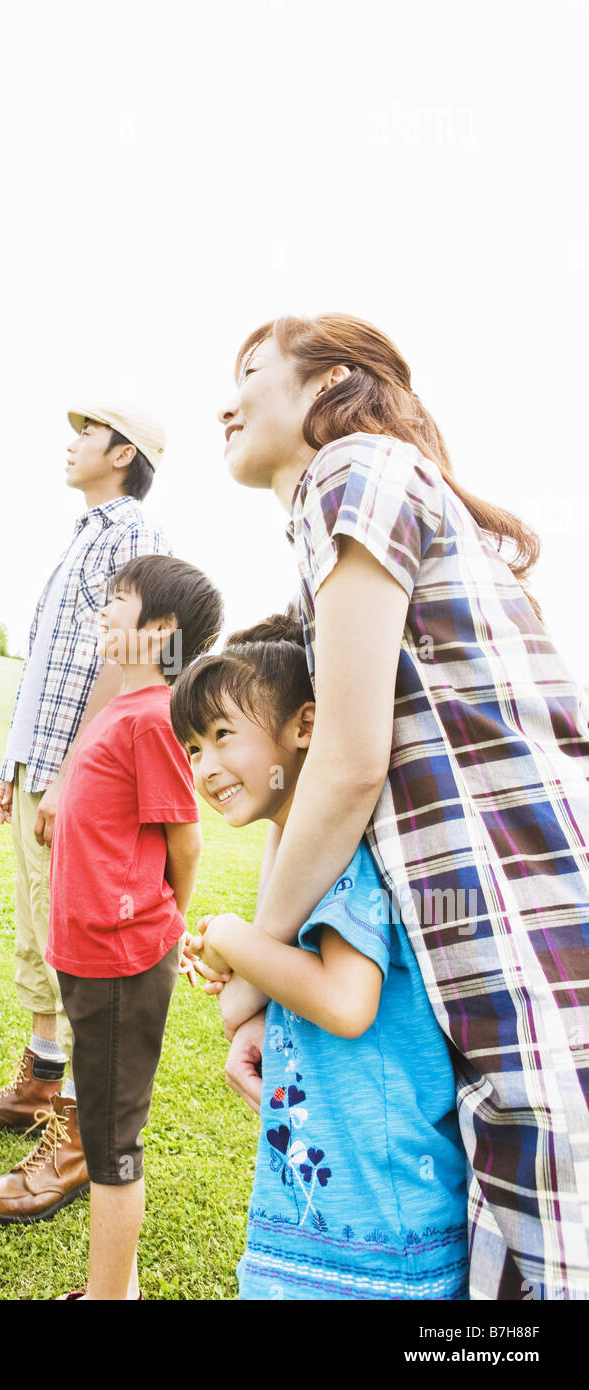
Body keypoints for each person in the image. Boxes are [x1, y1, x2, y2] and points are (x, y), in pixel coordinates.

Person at [211, 313, 589, 1300]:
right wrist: (272, 987)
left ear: (330, 381)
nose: (226, 397)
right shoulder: (330, 533)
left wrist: (251, 963)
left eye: (251, 369)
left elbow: (344, 764)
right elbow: (316, 791)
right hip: (488, 940)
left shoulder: (356, 470)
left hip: (530, 931)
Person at [174, 614, 470, 1300]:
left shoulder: (348, 854)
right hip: (324, 1217)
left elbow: (345, 1000)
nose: (206, 766)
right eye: (192, 748)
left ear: (303, 726)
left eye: (222, 736)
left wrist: (229, 937)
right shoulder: (298, 857)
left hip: (381, 1233)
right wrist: (245, 983)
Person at [0, 402, 172, 1225]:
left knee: (74, 940)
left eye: (86, 430)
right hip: (43, 761)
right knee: (36, 925)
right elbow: (52, 655)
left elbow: (137, 656)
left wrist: (76, 771)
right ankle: (41, 1079)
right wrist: (19, 761)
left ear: (123, 451)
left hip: (81, 771)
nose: (71, 442)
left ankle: (76, 1130)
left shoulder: (131, 531)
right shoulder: (87, 531)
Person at [42, 553, 224, 1299]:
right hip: (89, 953)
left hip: (122, 960)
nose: (103, 612)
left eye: (118, 601)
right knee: (102, 1120)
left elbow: (185, 841)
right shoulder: (120, 705)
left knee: (112, 1146)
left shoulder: (154, 718)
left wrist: (165, 926)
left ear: (161, 630)